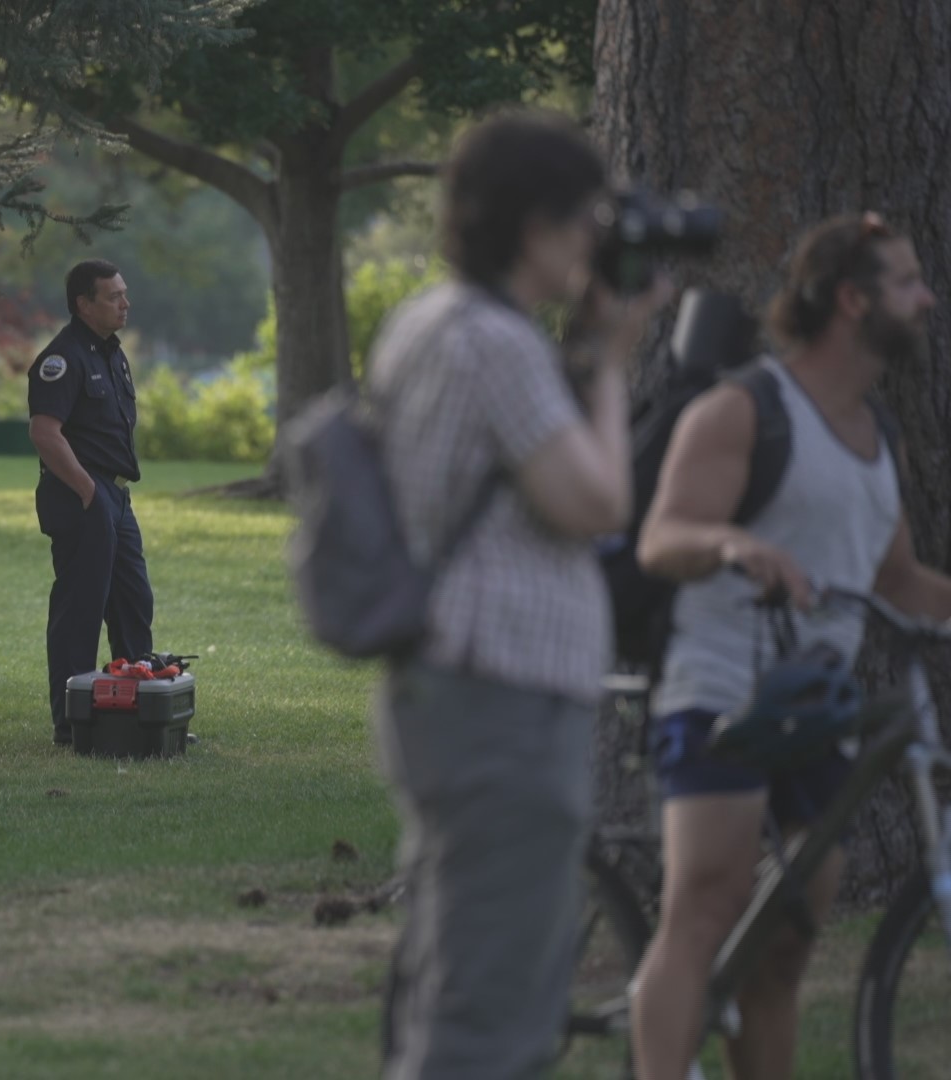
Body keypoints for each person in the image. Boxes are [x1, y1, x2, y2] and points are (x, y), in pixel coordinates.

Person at [371, 111, 670, 1079]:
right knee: (492, 1011)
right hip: (499, 695)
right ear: (537, 224)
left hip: (456, 685)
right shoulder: (492, 342)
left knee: (460, 976)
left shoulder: (432, 321)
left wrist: (585, 351)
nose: (599, 238)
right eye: (588, 216)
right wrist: (616, 361)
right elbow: (595, 500)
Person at [631, 213, 951, 1079]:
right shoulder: (745, 409)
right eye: (908, 281)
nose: (926, 298)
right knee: (705, 905)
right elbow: (663, 539)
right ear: (853, 300)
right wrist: (736, 544)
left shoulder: (878, 435)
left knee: (786, 941)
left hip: (817, 709)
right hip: (721, 689)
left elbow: (900, 581)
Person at [28, 259, 155, 746]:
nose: (125, 302)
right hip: (83, 493)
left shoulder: (111, 354)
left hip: (116, 495)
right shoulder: (62, 359)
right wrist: (86, 491)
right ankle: (72, 723)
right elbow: (44, 431)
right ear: (84, 304)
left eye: (124, 293)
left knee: (134, 602)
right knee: (81, 609)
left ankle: (139, 712)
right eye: (113, 296)